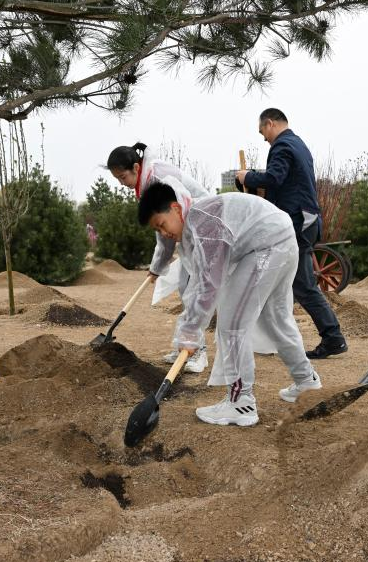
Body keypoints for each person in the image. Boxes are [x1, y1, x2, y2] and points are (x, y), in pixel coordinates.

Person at [137, 182, 321, 426]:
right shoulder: (197, 218)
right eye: (157, 231)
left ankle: (240, 402)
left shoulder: (202, 221)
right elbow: (205, 280)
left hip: (266, 246)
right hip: (283, 239)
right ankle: (306, 380)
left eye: (162, 224)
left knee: (232, 324)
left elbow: (209, 284)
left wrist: (191, 330)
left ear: (175, 208)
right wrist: (191, 327)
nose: (164, 234)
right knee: (276, 318)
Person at [236, 108, 348, 360]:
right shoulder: (297, 144)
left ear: (270, 123)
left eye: (262, 131)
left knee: (304, 285)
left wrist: (247, 176)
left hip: (298, 222)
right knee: (292, 283)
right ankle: (280, 337)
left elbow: (275, 178)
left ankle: (333, 338)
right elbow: (282, 182)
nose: (263, 137)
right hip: (303, 219)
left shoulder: (283, 145)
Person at [108, 142, 211, 372]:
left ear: (136, 167)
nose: (121, 183)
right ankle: (184, 348)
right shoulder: (149, 176)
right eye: (117, 179)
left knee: (193, 291)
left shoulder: (156, 180)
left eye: (123, 177)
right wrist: (158, 265)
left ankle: (197, 353)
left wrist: (158, 266)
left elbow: (165, 233)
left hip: (201, 228)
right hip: (188, 229)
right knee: (187, 291)